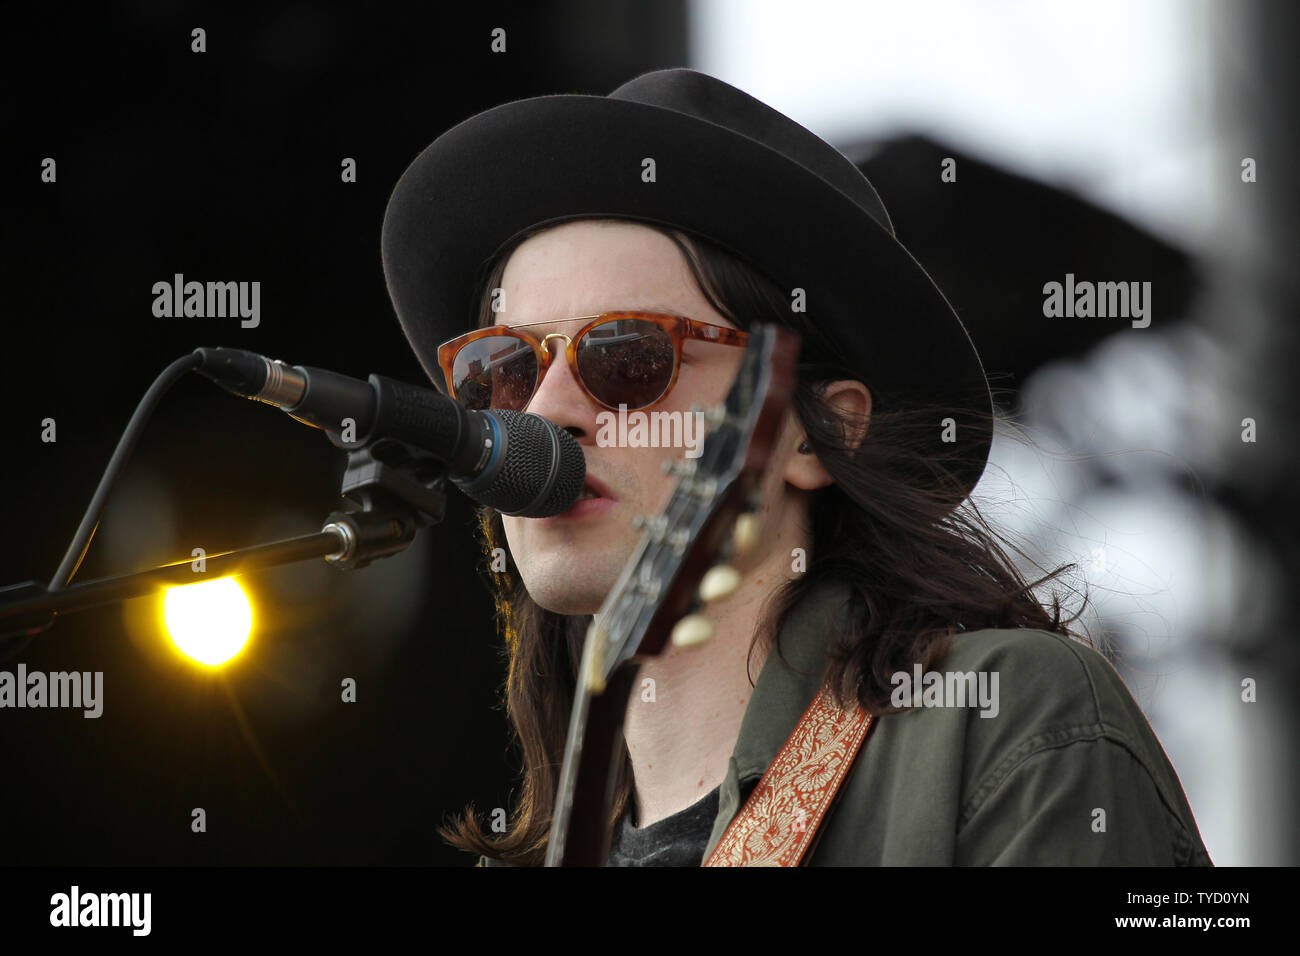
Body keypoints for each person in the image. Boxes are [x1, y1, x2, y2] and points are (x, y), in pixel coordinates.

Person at [380, 68, 1212, 866]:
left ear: (819, 435)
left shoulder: (1014, 721)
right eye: (507, 370)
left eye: (627, 356)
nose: (547, 411)